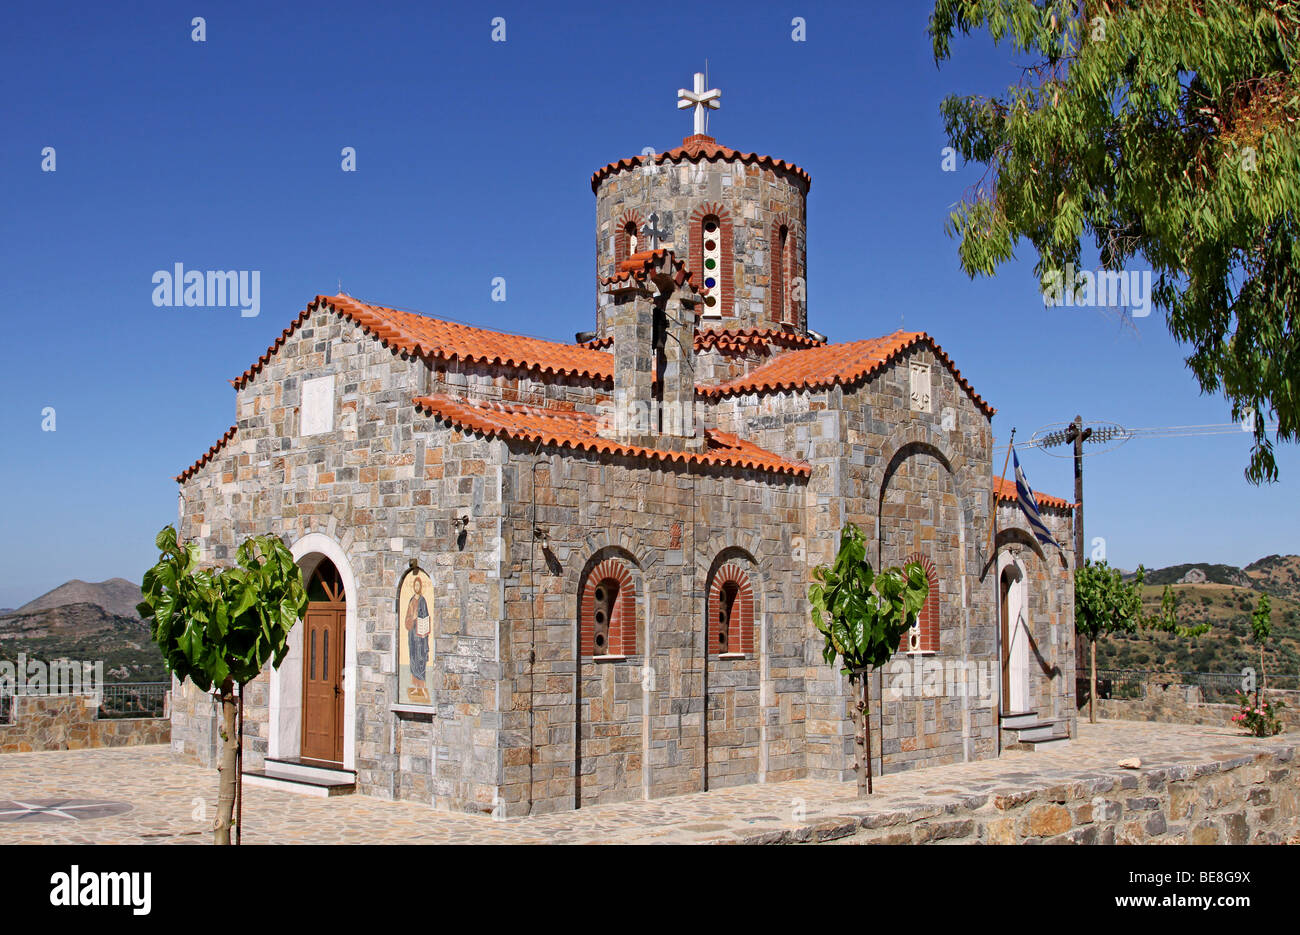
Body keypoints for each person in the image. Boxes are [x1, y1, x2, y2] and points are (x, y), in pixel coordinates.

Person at [404, 576, 431, 702]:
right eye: (415, 585)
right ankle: (415, 686)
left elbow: (425, 617)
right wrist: (412, 619)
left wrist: (418, 619)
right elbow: (407, 618)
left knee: (420, 659)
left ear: (421, 587)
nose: (416, 588)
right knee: (413, 659)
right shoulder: (411, 600)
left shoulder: (423, 601)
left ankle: (422, 687)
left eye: (418, 586)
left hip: (420, 636)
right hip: (412, 635)